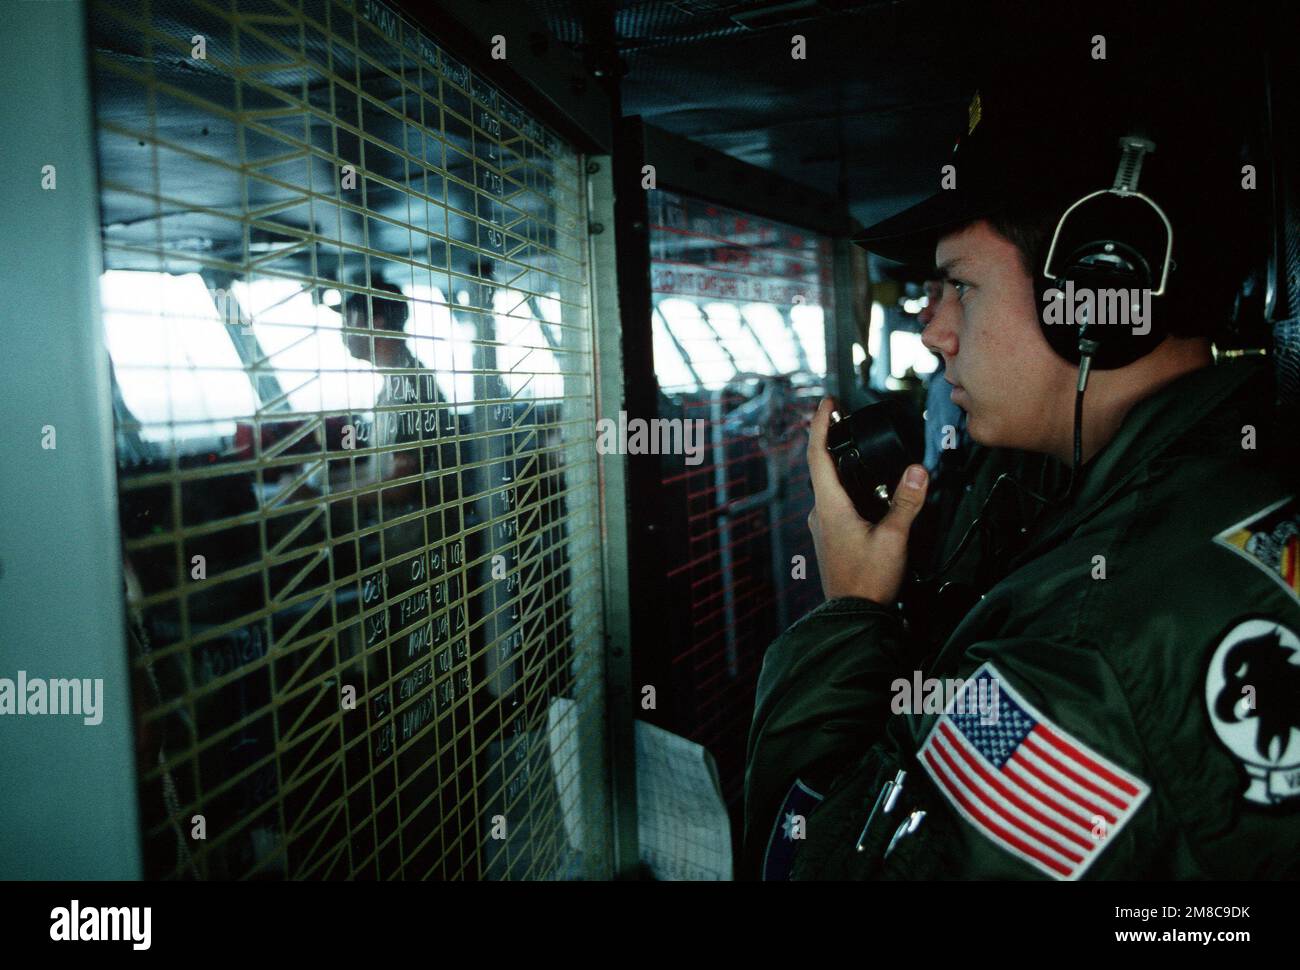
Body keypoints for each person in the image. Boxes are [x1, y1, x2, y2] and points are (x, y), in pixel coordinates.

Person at [742, 35, 1300, 880]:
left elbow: (804, 863)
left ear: (1097, 291)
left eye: (958, 285)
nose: (931, 329)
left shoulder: (1084, 663)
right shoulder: (1223, 467)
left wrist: (847, 615)